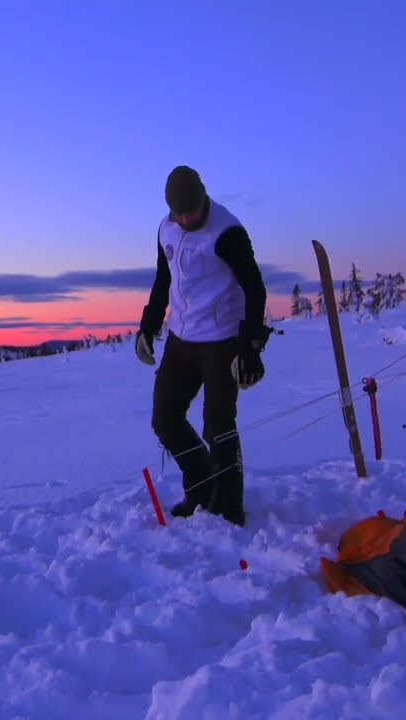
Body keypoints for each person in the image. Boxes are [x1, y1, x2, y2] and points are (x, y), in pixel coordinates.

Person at [135, 165, 272, 528]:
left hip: (221, 341)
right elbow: (163, 279)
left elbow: (253, 288)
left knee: (219, 427)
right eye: (177, 213)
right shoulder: (167, 228)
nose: (185, 218)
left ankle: (229, 509)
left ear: (203, 199)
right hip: (181, 338)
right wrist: (148, 326)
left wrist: (249, 348)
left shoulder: (226, 232)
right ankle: (200, 484)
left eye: (190, 211)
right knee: (165, 419)